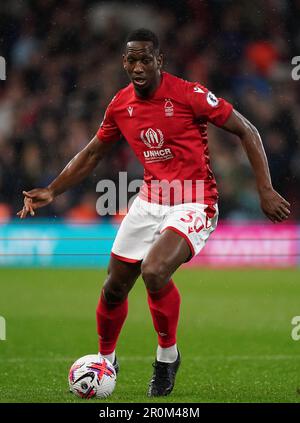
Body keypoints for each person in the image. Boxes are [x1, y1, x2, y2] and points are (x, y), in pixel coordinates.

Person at [18, 28, 291, 397]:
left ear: (159, 60)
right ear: (124, 63)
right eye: (131, 59)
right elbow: (92, 152)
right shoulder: (120, 104)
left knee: (155, 269)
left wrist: (265, 189)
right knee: (114, 287)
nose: (138, 66)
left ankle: (166, 358)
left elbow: (247, 130)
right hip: (149, 202)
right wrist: (52, 188)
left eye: (145, 58)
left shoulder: (188, 94)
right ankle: (105, 361)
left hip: (195, 200)